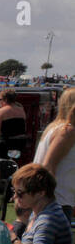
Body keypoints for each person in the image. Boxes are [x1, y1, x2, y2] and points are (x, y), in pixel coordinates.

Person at [33, 87, 75, 220]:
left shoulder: (54, 127)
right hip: (56, 204)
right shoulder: (68, 131)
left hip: (51, 202)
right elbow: (48, 166)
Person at [0, 88, 27, 154]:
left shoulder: (0, 111)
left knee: (4, 163)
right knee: (16, 163)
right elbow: (24, 127)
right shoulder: (21, 110)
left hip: (6, 144)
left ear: (5, 100)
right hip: (20, 144)